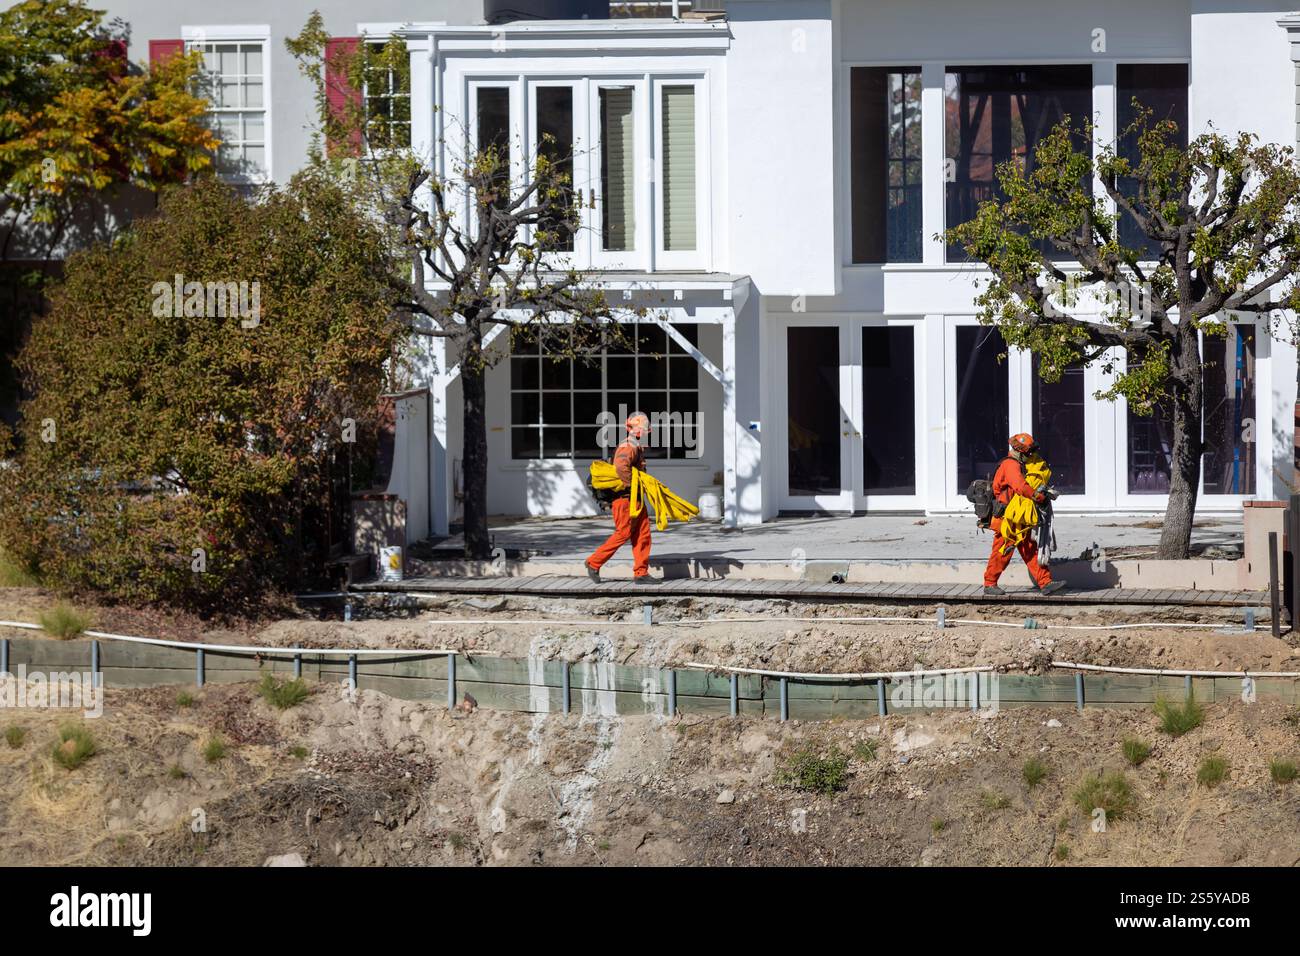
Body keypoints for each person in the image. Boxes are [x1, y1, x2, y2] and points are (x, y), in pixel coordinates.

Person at [983, 433, 1066, 596]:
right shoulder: (1010, 465)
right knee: (1002, 551)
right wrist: (1037, 496)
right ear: (1020, 451)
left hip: (1017, 517)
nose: (1031, 456)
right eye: (1029, 453)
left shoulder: (1015, 463)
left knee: (1030, 548)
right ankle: (990, 583)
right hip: (1007, 519)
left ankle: (1045, 583)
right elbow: (1020, 486)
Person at [585, 412, 654, 583]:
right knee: (623, 533)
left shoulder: (635, 445)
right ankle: (593, 562)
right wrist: (633, 486)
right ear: (636, 430)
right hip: (625, 499)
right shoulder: (628, 446)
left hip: (634, 498)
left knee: (642, 533)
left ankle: (641, 573)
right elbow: (621, 467)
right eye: (644, 429)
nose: (645, 432)